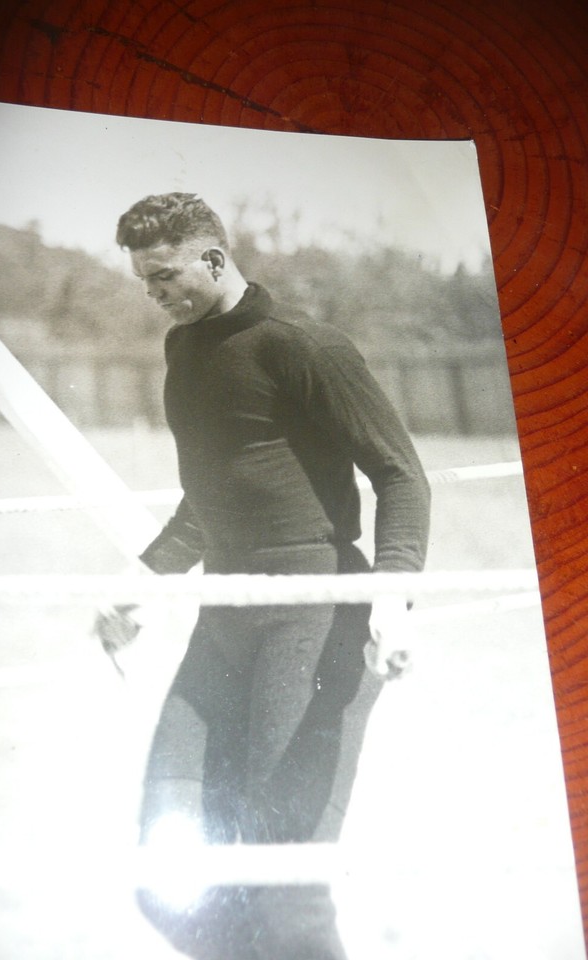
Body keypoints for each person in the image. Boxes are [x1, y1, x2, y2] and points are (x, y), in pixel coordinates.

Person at [112, 192, 431, 960]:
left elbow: (402, 477)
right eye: (143, 281)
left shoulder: (305, 346)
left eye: (162, 276)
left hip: (317, 617)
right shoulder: (184, 348)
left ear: (213, 259)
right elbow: (214, 492)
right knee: (166, 871)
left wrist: (390, 596)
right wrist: (142, 579)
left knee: (282, 885)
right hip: (224, 618)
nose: (152, 294)